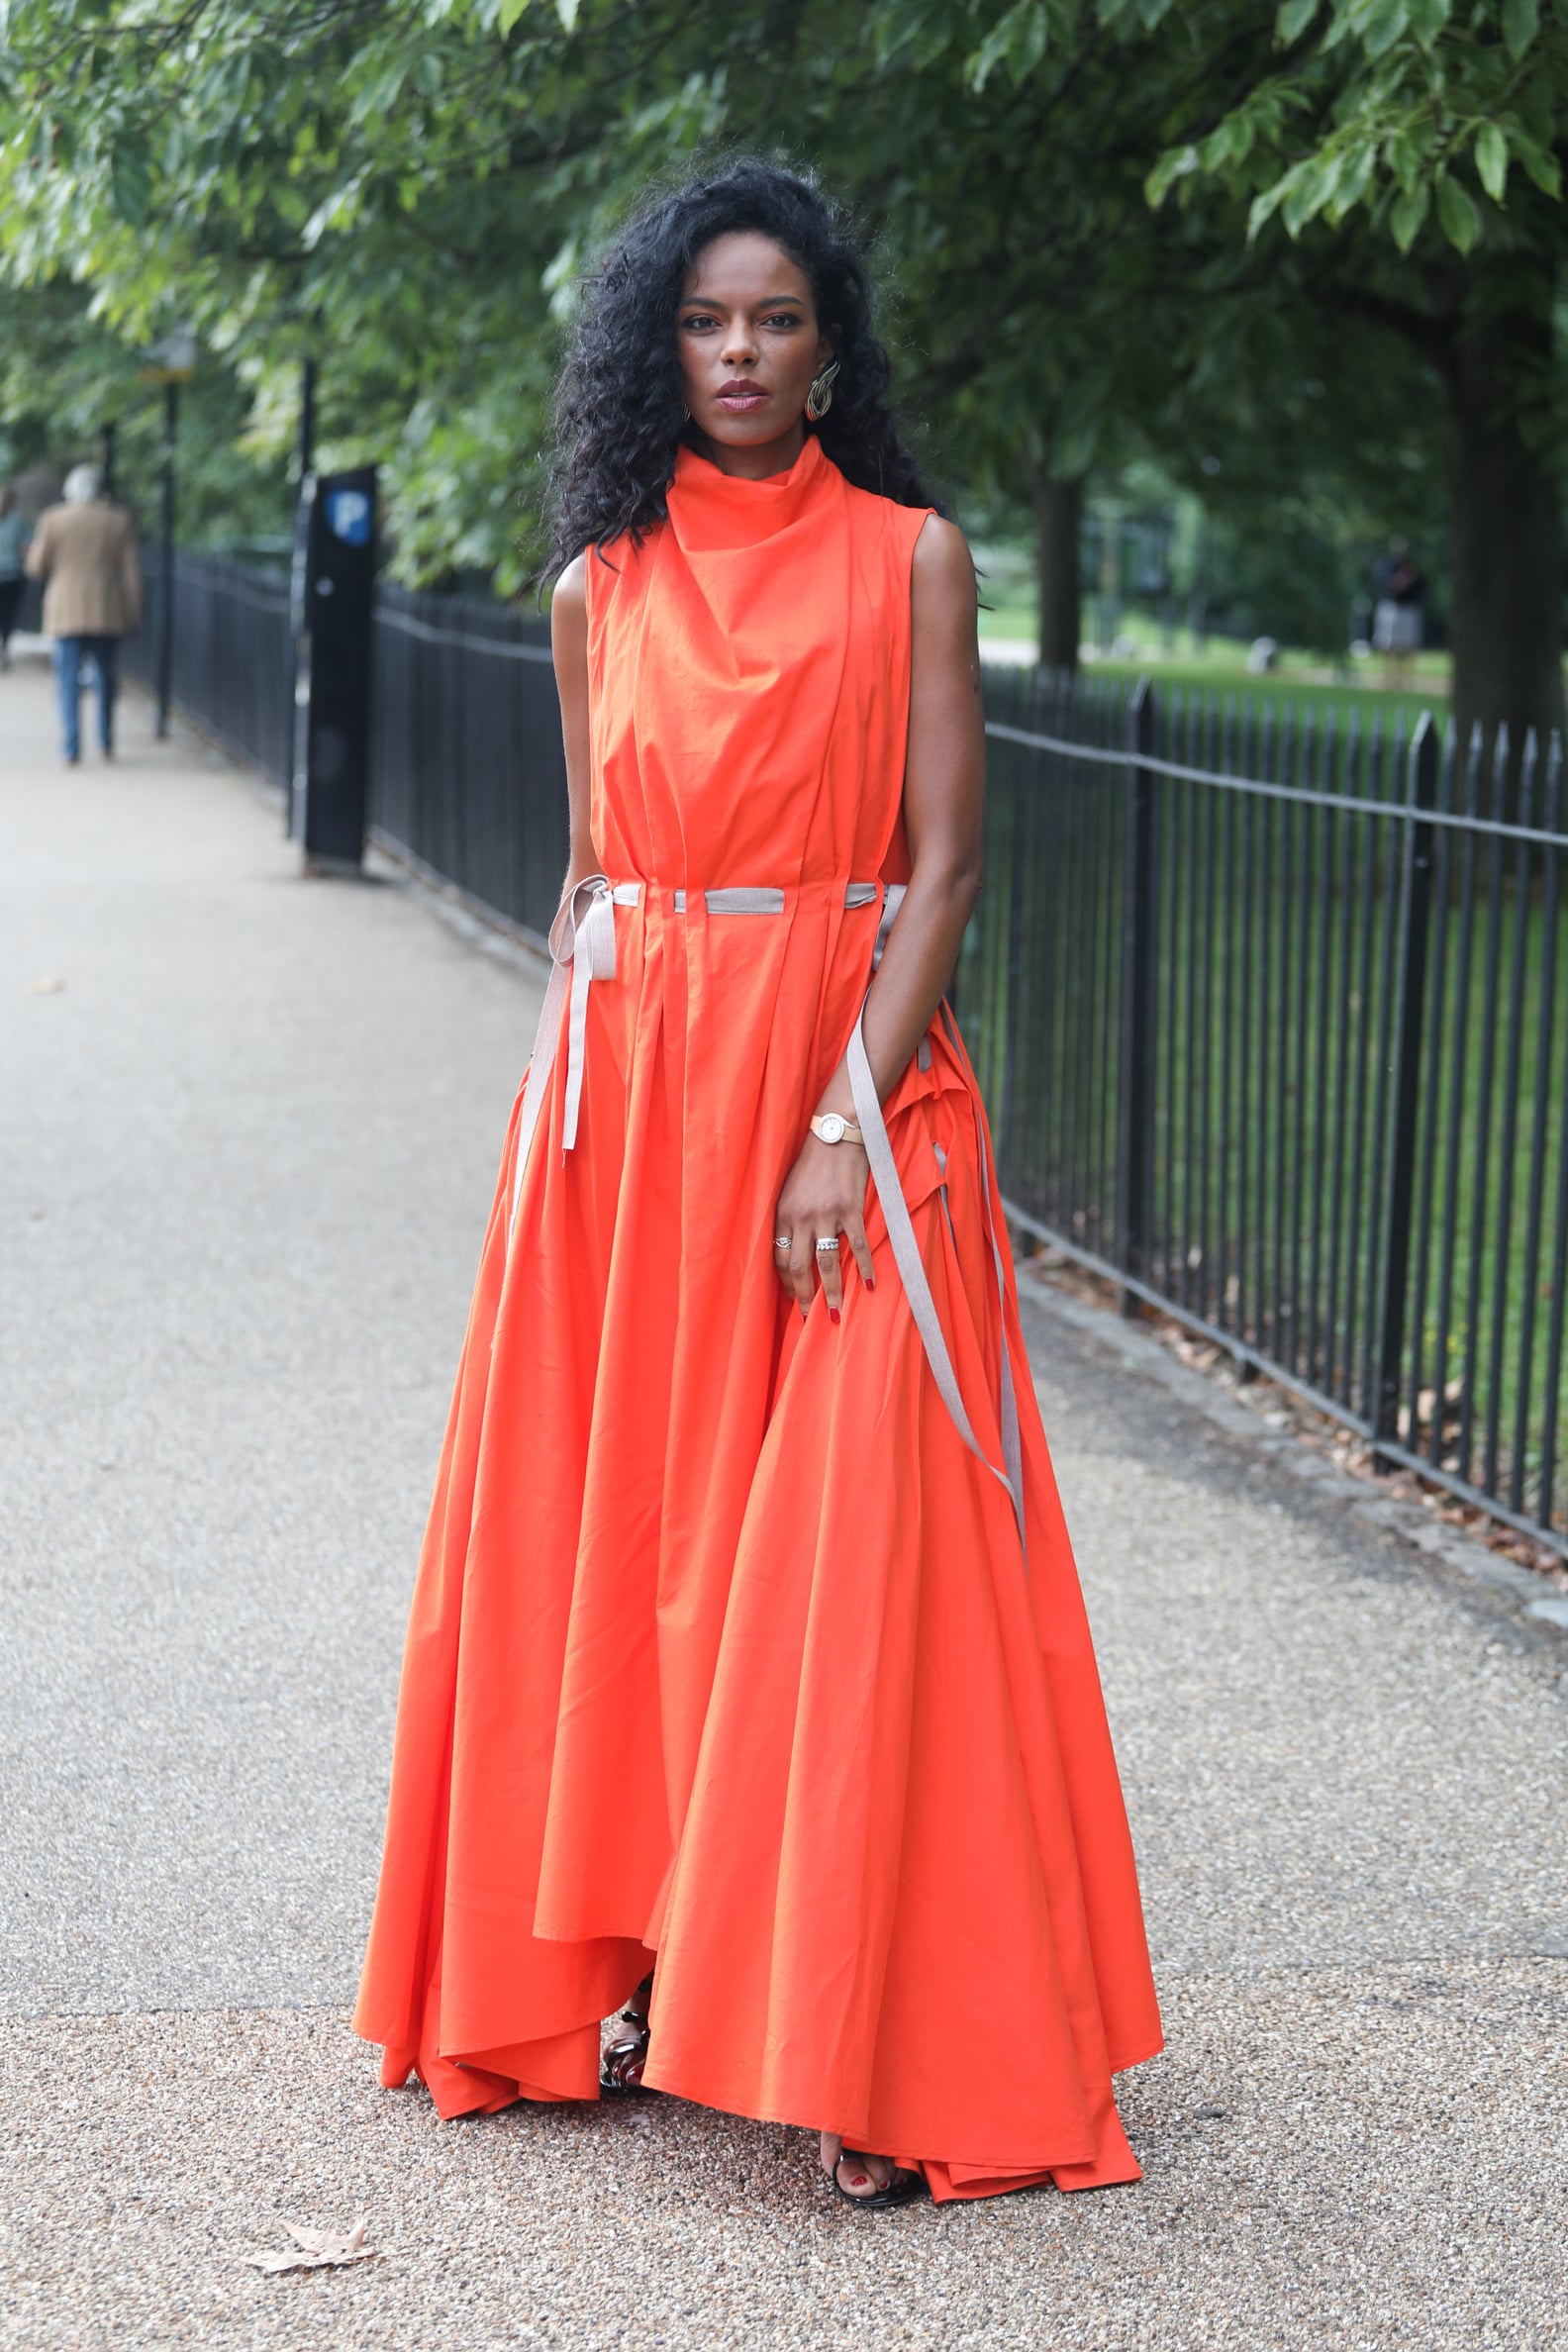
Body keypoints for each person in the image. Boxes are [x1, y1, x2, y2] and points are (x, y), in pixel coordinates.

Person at [354, 161, 1161, 2210]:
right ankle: (621, 1964)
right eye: (705, 323)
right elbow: (596, 872)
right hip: (633, 1113)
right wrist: (591, 1115)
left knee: (847, 1553)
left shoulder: (915, 562)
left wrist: (835, 1126)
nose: (738, 354)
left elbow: (946, 866)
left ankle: (881, 2047)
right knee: (629, 1544)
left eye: (777, 321)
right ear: (659, 344)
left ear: (828, 349)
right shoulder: (591, 587)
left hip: (848, 1093)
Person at [24, 463, 142, 763]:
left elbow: (37, 567)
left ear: (70, 491)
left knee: (67, 680)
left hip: (66, 609)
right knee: (105, 676)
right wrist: (133, 612)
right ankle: (105, 742)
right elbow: (132, 575)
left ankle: (71, 746)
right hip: (107, 607)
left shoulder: (53, 520)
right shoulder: (118, 521)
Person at [1371, 535, 1424, 689]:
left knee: (1406, 645)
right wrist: (1394, 582)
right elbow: (1378, 582)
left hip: (1408, 607)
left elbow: (1420, 585)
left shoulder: (1410, 565)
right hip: (1390, 606)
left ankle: (1404, 679)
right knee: (1387, 644)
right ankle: (1388, 678)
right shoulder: (1385, 565)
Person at [0, 485, 32, 668]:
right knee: (8, 615)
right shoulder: (19, 522)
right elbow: (27, 548)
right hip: (12, 576)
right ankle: (4, 647)